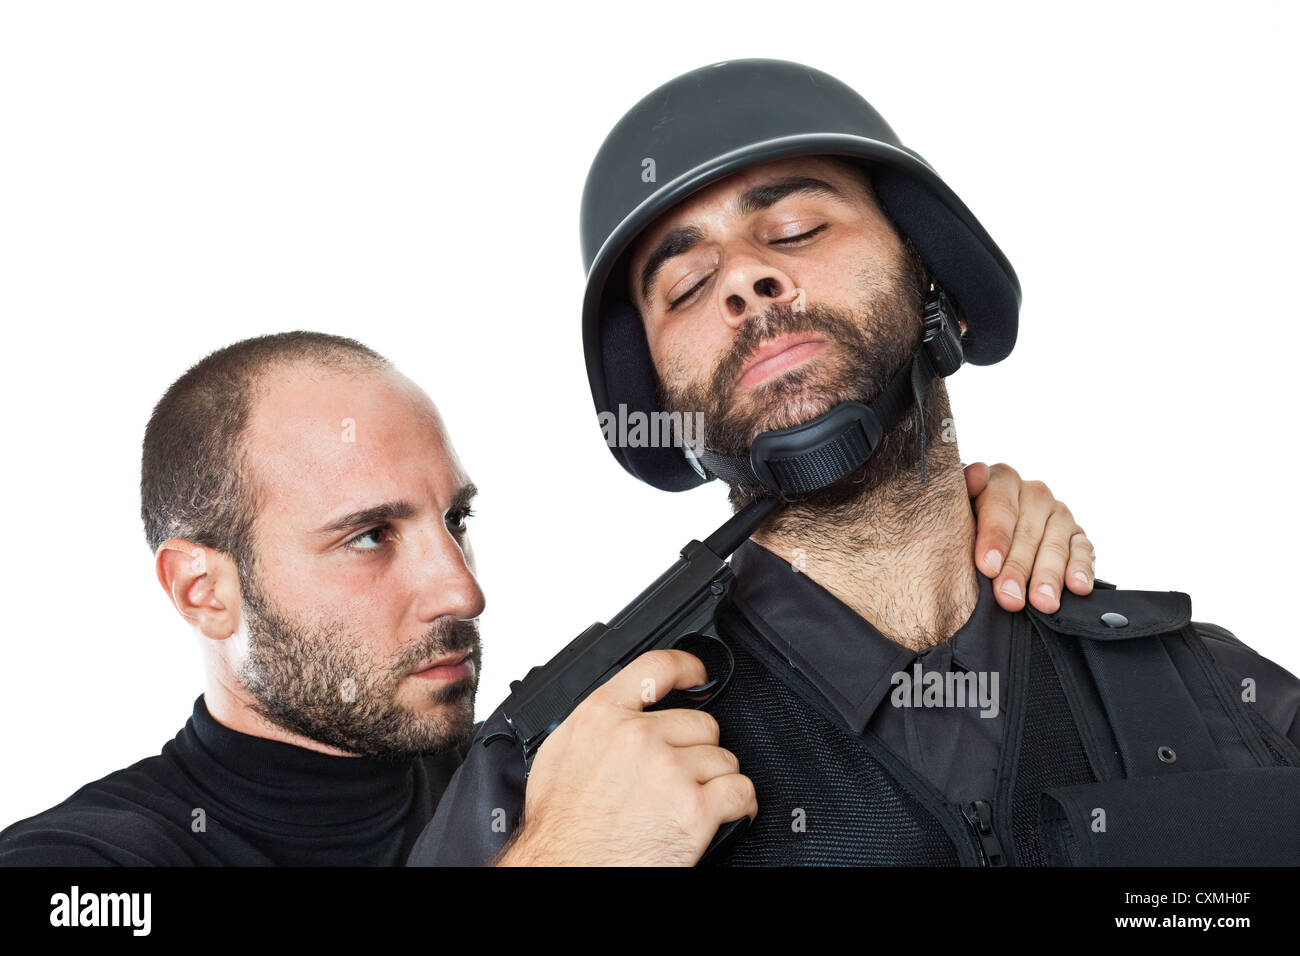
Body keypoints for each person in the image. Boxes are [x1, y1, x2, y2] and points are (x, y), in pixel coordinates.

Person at [408, 59, 1300, 867]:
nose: (742, 280)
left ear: (935, 282)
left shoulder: (1220, 694)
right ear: (664, 400)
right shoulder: (552, 780)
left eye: (795, 229)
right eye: (684, 286)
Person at [0, 331, 1084, 865]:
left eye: (453, 521)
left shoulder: (540, 759)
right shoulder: (87, 866)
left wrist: (949, 539)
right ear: (203, 589)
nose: (459, 586)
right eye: (371, 536)